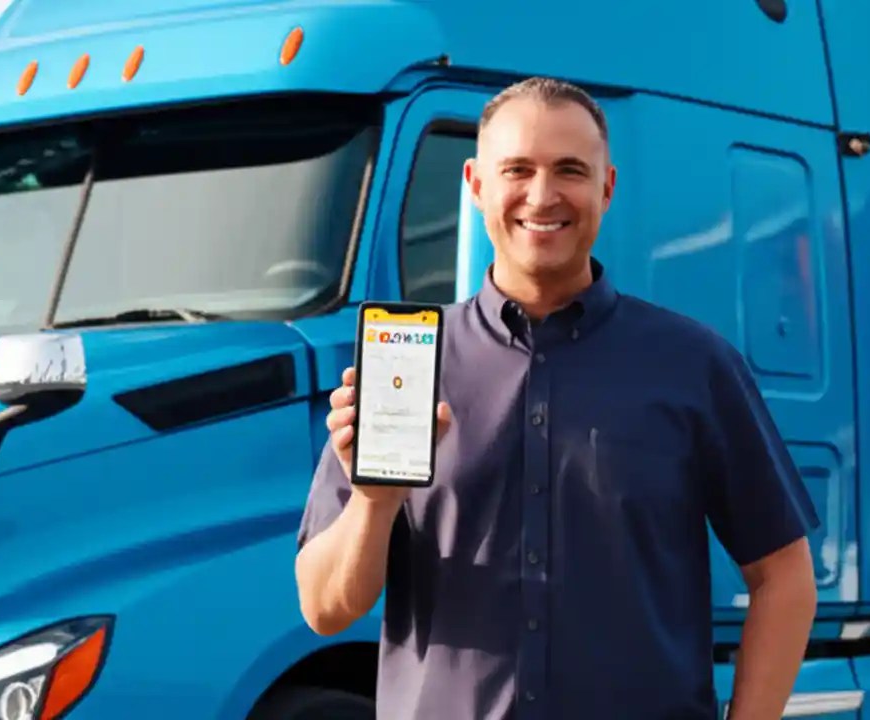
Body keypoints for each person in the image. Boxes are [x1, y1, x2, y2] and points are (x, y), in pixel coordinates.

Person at [294, 76, 820, 719]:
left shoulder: (694, 365)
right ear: (476, 185)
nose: (542, 195)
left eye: (570, 170)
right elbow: (325, 609)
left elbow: (783, 577)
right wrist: (374, 504)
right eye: (517, 169)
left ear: (607, 188)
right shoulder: (407, 366)